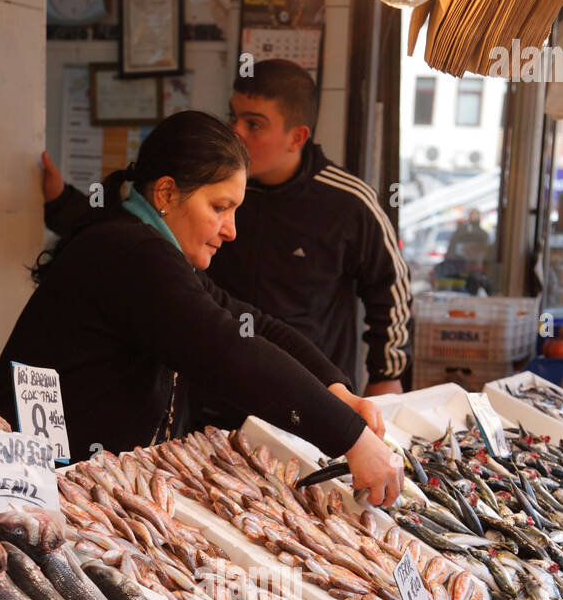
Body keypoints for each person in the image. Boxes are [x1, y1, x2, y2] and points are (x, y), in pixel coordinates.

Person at [0, 112, 403, 507]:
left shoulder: (148, 246)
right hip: (4, 489)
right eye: (220, 208)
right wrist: (350, 440)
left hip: (54, 484)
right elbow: (229, 353)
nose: (231, 231)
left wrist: (337, 391)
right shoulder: (133, 253)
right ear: (167, 193)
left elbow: (254, 326)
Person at [41, 60, 411, 396]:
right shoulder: (149, 240)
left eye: (254, 124)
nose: (235, 133)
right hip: (210, 387)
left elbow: (389, 285)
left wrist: (383, 374)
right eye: (232, 117)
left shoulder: (349, 202)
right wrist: (59, 201)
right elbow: (125, 219)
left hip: (306, 394)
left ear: (297, 137)